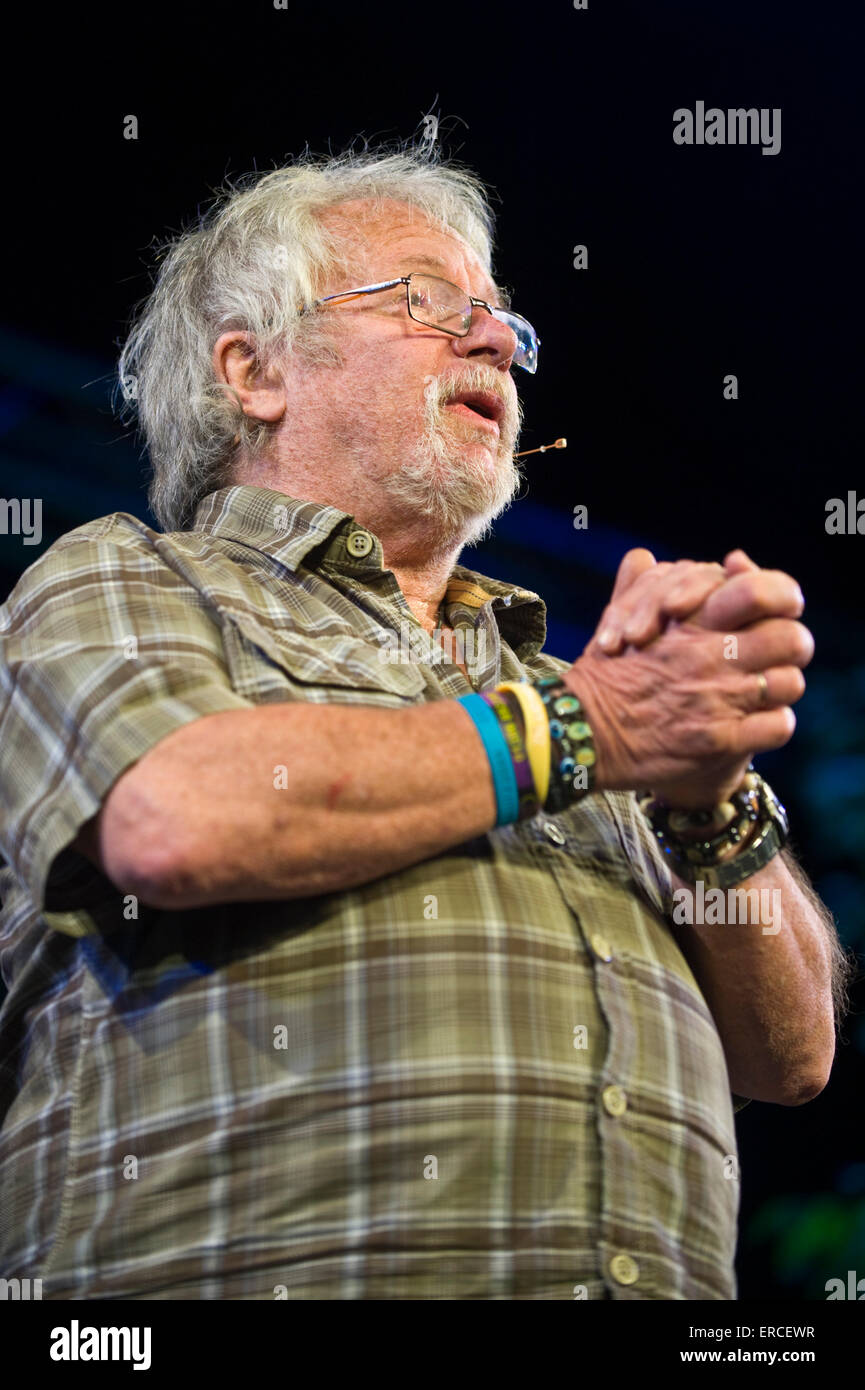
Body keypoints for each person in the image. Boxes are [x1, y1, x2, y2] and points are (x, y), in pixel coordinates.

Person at [0, 145, 848, 1301]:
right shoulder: (131, 578)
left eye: (506, 322)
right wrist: (586, 722)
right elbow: (173, 820)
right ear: (253, 371)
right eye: (428, 303)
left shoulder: (582, 688)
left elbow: (791, 1056)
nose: (497, 341)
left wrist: (707, 792)